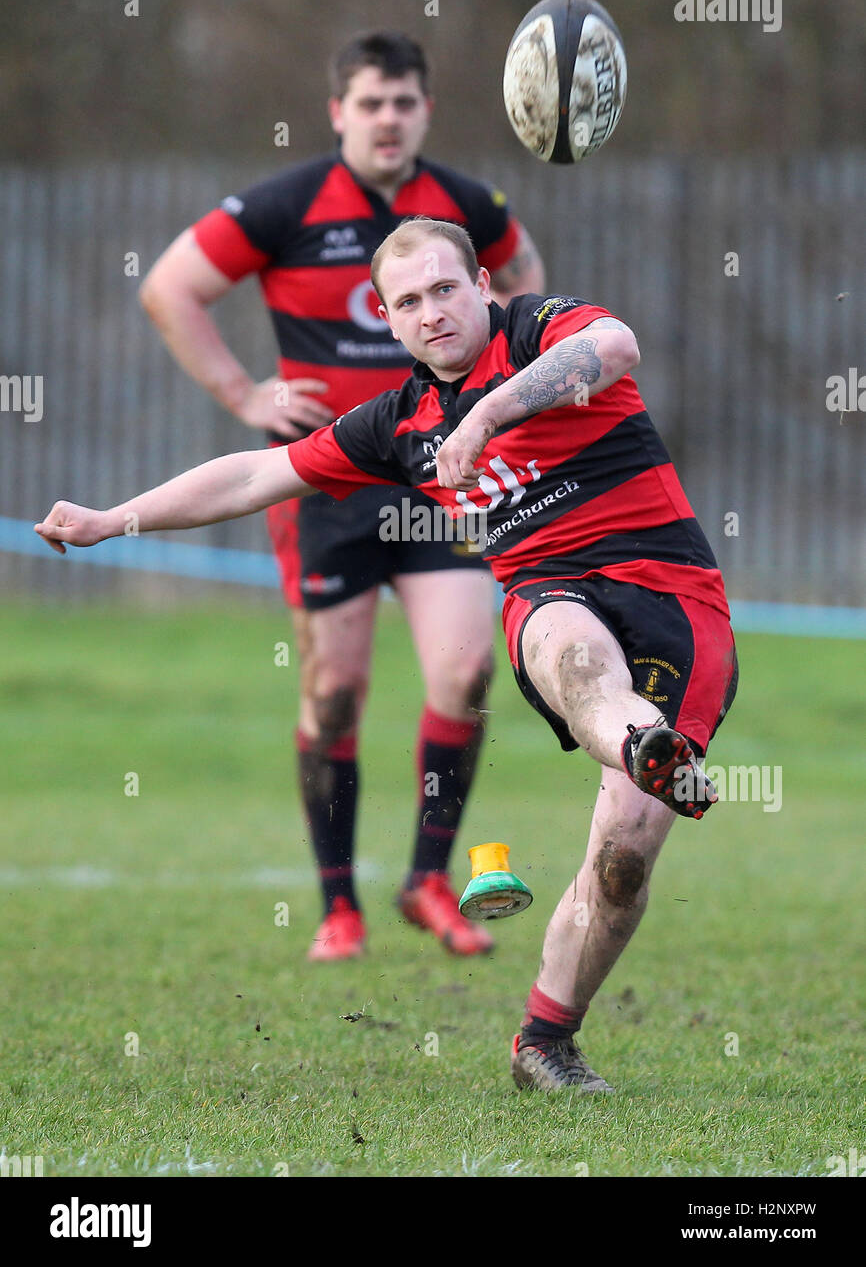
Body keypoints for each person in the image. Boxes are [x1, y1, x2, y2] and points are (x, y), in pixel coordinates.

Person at [37, 217, 738, 1093]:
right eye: (409, 302)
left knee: (625, 859)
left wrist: (488, 413)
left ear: (482, 284)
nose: (432, 312)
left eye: (446, 289)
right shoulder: (397, 423)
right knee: (570, 648)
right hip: (551, 597)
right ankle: (644, 745)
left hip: (678, 600)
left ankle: (544, 1041)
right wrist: (113, 518)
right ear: (388, 320)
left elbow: (616, 344)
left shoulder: (533, 329)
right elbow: (255, 476)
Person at [138, 32, 545, 961]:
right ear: (338, 112)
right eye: (370, 103)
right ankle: (337, 905)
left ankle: (429, 880)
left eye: (404, 101)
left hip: (440, 470)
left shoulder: (470, 204)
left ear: (426, 108)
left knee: (466, 672)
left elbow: (525, 283)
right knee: (334, 691)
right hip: (324, 479)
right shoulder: (287, 204)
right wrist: (245, 394)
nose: (389, 119)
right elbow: (169, 288)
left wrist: (495, 392)